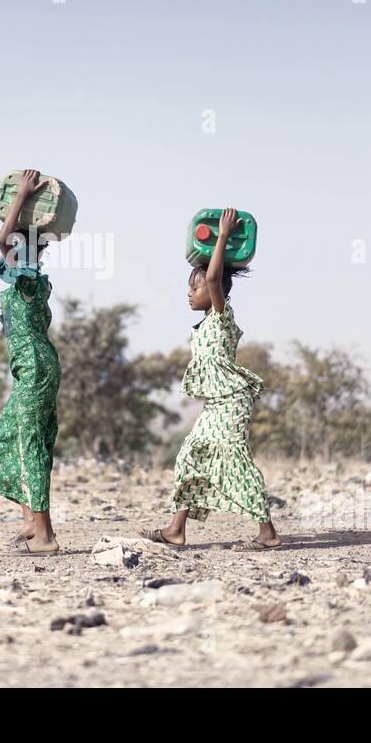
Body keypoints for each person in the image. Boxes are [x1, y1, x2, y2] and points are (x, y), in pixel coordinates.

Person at [142, 207, 281, 551]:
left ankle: (268, 534)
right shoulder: (204, 321)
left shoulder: (220, 315)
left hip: (231, 401)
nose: (189, 293)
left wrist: (221, 237)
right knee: (190, 455)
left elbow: (217, 278)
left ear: (212, 290)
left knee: (234, 460)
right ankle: (176, 529)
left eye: (195, 287)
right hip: (217, 403)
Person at [0, 169, 63, 555]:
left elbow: (2, 238)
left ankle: (44, 536)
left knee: (30, 442)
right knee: (9, 439)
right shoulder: (23, 280)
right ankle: (31, 523)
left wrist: (20, 197)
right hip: (33, 367)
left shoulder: (28, 278)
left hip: (34, 366)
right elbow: (6, 244)